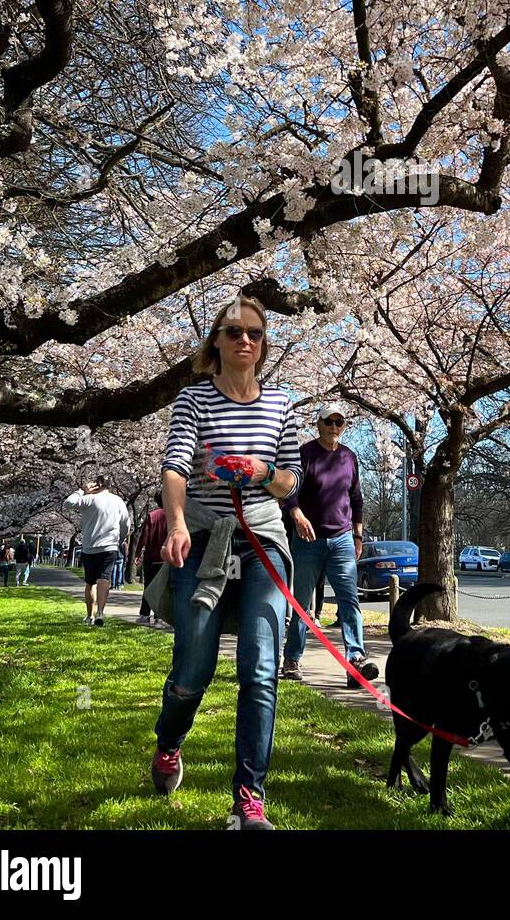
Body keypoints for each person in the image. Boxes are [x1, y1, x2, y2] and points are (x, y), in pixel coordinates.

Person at [147, 295, 302, 831]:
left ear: (264, 345)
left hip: (263, 540)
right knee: (194, 669)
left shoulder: (282, 402)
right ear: (216, 339)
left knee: (260, 671)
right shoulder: (193, 400)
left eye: (254, 334)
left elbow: (289, 480)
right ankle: (169, 743)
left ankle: (248, 799)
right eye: (233, 331)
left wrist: (260, 470)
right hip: (205, 538)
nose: (244, 341)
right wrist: (178, 524)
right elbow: (174, 467)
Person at [280, 401, 377, 688]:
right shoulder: (305, 454)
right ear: (318, 424)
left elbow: (356, 498)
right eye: (329, 422)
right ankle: (292, 659)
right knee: (300, 603)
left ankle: (355, 662)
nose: (334, 427)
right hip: (309, 541)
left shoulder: (349, 457)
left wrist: (358, 535)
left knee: (349, 601)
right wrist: (297, 516)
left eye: (340, 422)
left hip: (343, 539)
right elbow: (289, 494)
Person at [63, 476, 131, 626]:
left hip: (90, 547)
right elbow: (126, 524)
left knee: (90, 582)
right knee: (104, 579)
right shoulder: (118, 501)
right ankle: (100, 612)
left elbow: (68, 503)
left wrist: (82, 490)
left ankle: (89, 615)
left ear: (96, 485)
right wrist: (119, 540)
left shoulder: (90, 499)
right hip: (110, 547)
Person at [135, 493, 168, 625]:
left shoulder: (152, 516)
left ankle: (144, 614)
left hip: (151, 557)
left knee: (148, 586)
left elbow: (144, 537)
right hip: (166, 558)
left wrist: (137, 554)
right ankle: (159, 615)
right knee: (163, 588)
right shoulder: (175, 516)